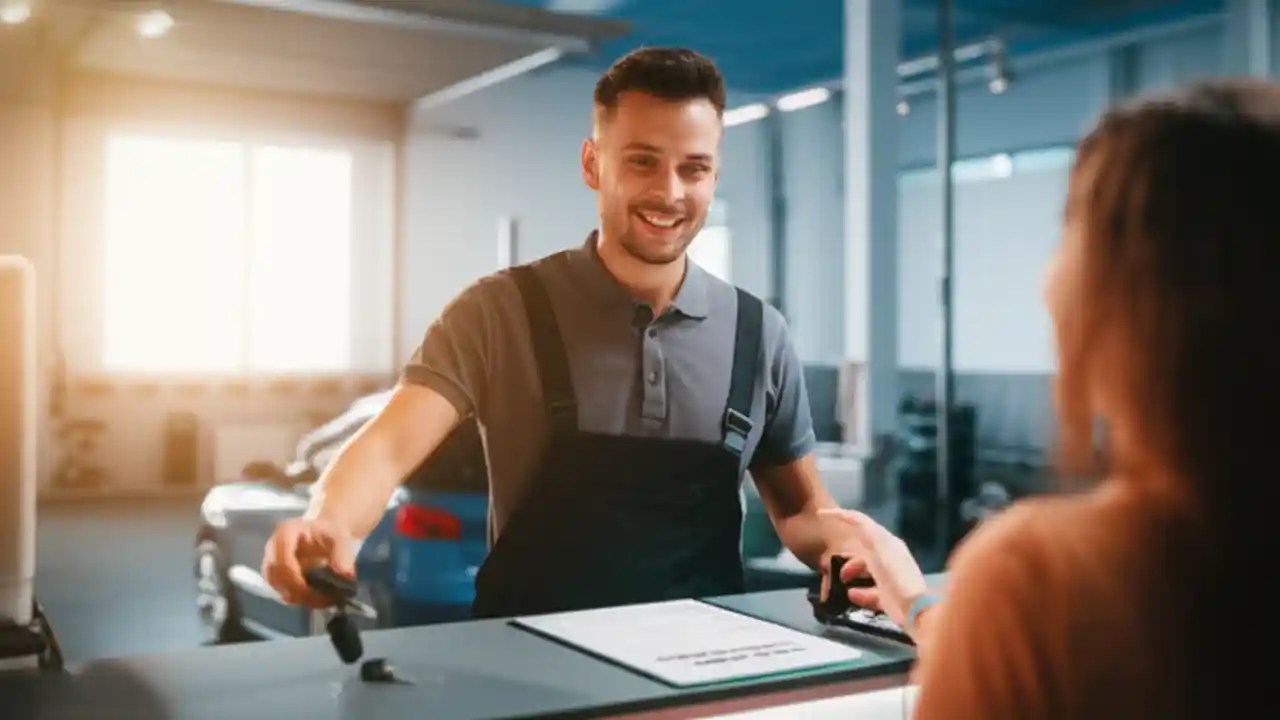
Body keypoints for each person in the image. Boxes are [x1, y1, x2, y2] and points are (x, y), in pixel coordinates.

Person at [261, 47, 864, 617]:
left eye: (694, 168)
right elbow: (389, 447)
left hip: (698, 675)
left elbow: (803, 508)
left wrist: (857, 551)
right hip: (534, 673)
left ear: (714, 175)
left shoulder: (758, 334)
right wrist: (330, 523)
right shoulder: (497, 312)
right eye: (642, 161)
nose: (670, 191)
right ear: (592, 164)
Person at [822, 78, 1280, 718]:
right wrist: (920, 605)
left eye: (1072, 236)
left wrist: (986, 610)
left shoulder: (1040, 579)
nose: (1046, 281)